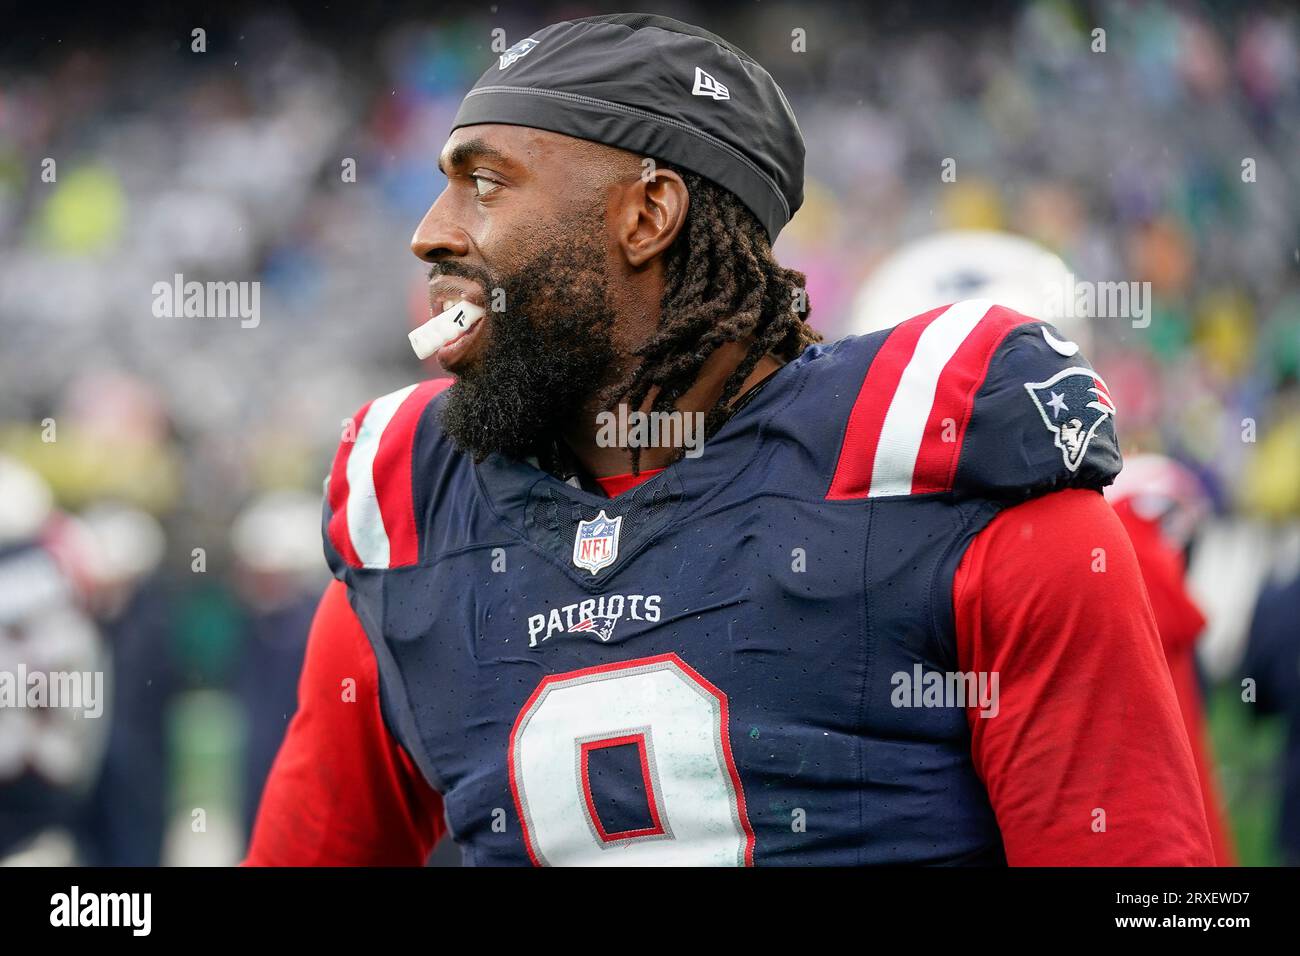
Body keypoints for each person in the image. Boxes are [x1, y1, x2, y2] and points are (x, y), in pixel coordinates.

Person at [247, 13, 1211, 866]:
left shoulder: (955, 494)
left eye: (486, 183)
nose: (429, 232)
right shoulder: (415, 527)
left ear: (647, 216)